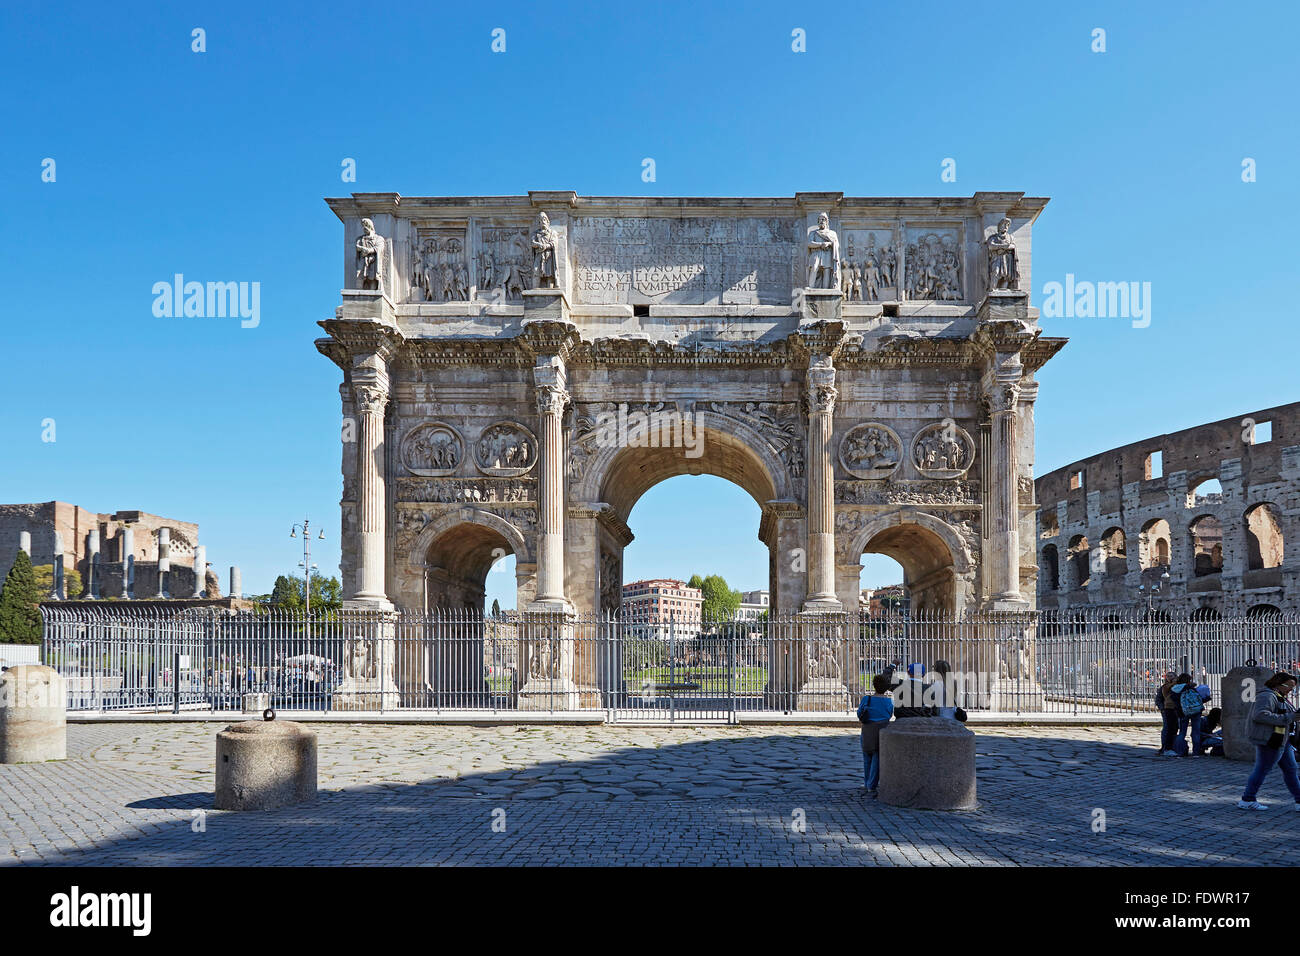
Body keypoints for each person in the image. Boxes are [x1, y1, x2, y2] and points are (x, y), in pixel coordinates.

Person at [1238, 672, 1300, 810]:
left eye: (1293, 687)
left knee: (1291, 769)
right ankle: (1247, 799)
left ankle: (1299, 800)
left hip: (1282, 739)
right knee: (1262, 769)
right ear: (1278, 684)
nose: (1291, 690)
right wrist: (1289, 717)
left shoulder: (1279, 696)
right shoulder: (1267, 695)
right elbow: (1260, 715)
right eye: (1289, 686)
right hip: (1271, 740)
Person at [857, 674, 894, 794]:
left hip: (867, 730)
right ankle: (872, 784)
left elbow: (859, 714)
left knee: (866, 757)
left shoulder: (866, 699)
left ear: (874, 686)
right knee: (877, 758)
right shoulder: (889, 702)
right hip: (881, 731)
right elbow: (889, 715)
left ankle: (867, 782)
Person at [1170, 673, 1203, 756]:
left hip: (1182, 712)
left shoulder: (1174, 689)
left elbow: (1174, 701)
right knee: (1196, 732)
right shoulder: (1190, 687)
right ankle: (1196, 753)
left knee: (1182, 732)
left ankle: (1180, 752)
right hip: (1195, 711)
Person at [1156, 671, 1178, 755]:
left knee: (1174, 728)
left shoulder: (1177, 686)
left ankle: (1173, 746)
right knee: (1167, 728)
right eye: (1168, 676)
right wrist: (1162, 709)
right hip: (1167, 709)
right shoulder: (1164, 687)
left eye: (1171, 675)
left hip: (1175, 709)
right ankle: (1165, 746)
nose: (1169, 677)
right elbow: (1158, 699)